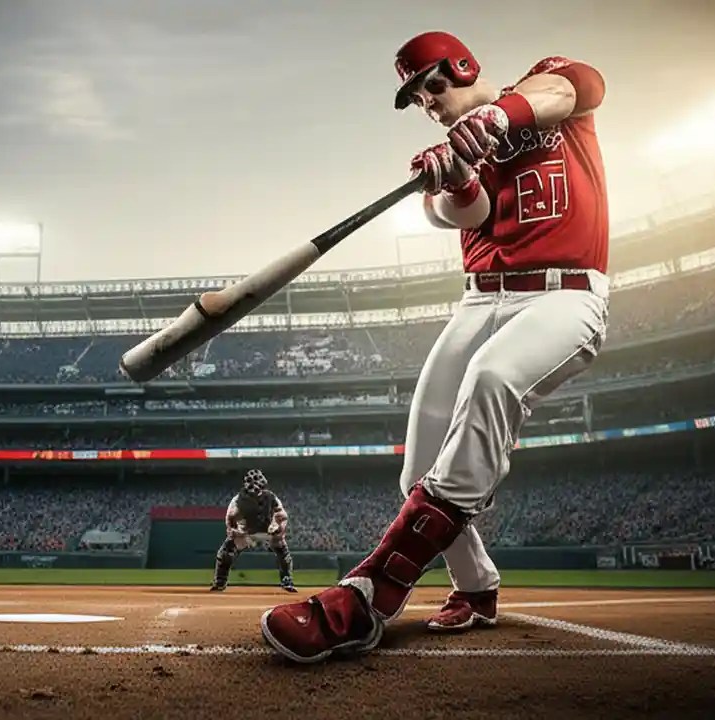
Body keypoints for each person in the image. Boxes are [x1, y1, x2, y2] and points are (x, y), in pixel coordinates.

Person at [260, 30, 609, 662]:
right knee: (417, 462)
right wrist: (450, 176)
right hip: (481, 300)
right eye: (417, 95)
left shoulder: (547, 82)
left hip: (565, 294)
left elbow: (571, 89)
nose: (427, 99)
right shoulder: (449, 156)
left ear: (465, 66)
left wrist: (496, 116)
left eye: (434, 83)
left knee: (492, 377)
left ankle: (371, 593)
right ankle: (475, 588)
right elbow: (469, 216)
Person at [211, 469, 296, 593]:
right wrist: (234, 531)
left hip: (268, 530)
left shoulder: (271, 497)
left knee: (283, 551)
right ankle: (220, 582)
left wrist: (280, 530)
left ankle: (287, 580)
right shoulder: (238, 500)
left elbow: (282, 516)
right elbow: (230, 519)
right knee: (225, 553)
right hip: (245, 531)